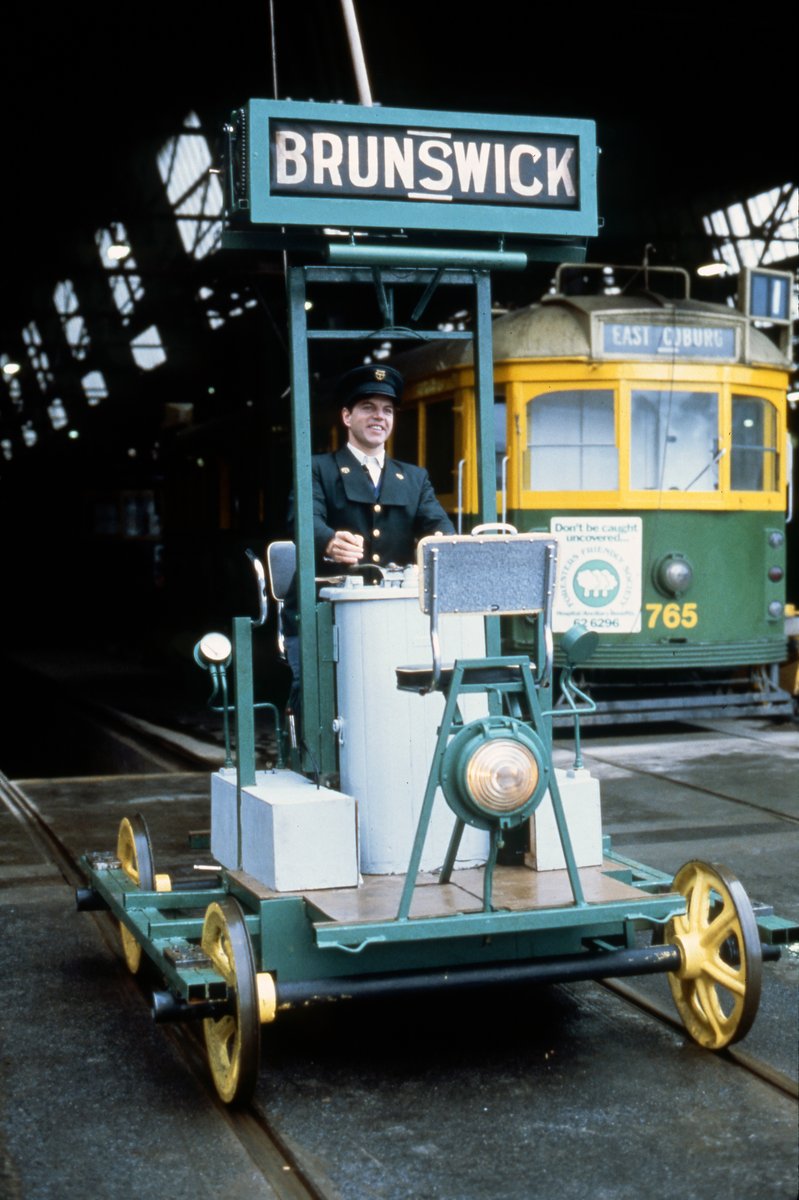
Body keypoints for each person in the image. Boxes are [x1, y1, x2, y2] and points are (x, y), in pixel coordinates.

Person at [284, 363, 455, 718]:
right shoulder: (316, 469)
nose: (380, 417)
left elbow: (440, 528)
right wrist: (328, 541)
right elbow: (303, 520)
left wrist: (440, 546)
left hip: (394, 613)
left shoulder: (414, 477)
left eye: (388, 410)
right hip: (323, 612)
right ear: (347, 416)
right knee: (319, 695)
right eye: (368, 408)